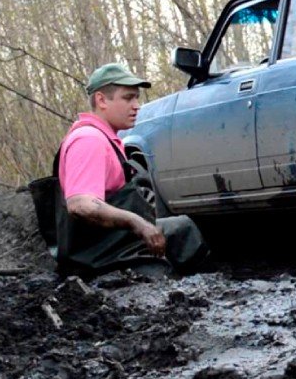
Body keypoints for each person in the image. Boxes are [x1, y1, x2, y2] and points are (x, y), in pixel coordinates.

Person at [54, 63, 208, 277]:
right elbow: (80, 205)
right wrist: (138, 223)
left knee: (182, 228)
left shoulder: (106, 138)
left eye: (137, 98)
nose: (136, 106)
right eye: (128, 98)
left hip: (110, 240)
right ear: (101, 100)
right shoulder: (89, 140)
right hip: (98, 254)